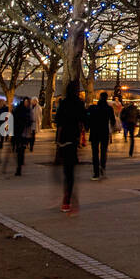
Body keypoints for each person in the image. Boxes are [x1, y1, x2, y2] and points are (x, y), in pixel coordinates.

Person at [54, 83, 85, 211]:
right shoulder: (79, 103)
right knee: (71, 172)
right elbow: (83, 119)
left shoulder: (64, 103)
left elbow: (58, 121)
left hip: (63, 139)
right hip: (73, 139)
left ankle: (67, 197)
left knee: (66, 171)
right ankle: (68, 199)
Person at [83, 91, 116, 179]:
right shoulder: (109, 109)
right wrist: (112, 130)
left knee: (95, 153)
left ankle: (96, 172)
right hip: (104, 132)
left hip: (94, 132)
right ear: (106, 98)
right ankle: (103, 167)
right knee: (103, 151)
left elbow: (87, 118)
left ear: (99, 98)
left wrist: (87, 127)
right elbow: (113, 121)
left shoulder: (93, 108)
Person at [10, 97, 31, 177]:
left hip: (24, 133)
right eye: (26, 102)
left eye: (27, 102)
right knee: (19, 150)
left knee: (21, 149)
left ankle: (20, 164)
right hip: (19, 133)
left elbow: (29, 122)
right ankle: (19, 166)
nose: (27, 103)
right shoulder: (20, 111)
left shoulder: (27, 111)